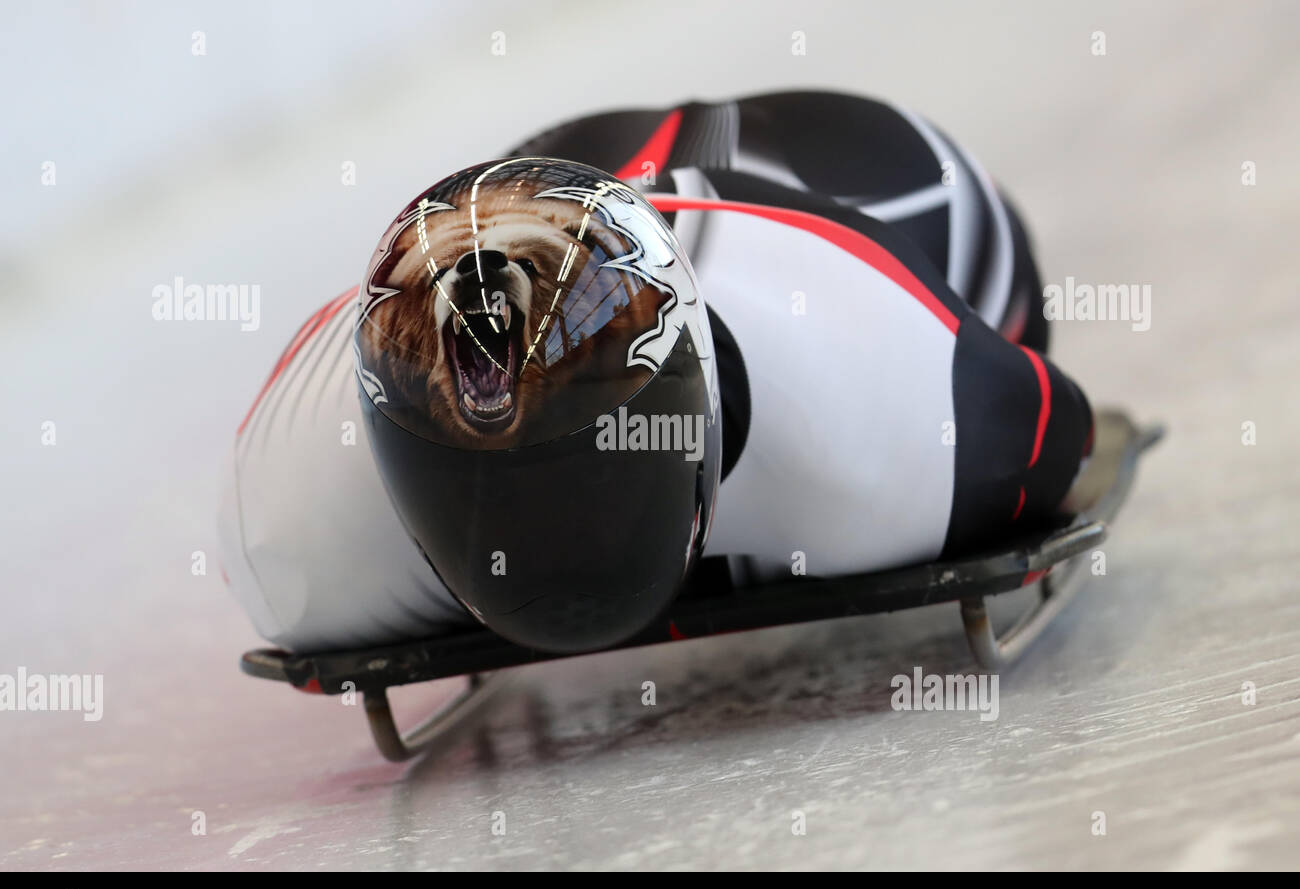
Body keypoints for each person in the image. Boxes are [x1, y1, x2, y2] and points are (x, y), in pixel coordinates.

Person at [219, 91, 1092, 655]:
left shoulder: (889, 413)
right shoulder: (293, 527)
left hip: (872, 179)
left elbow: (1053, 428)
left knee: (1001, 292)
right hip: (571, 183)